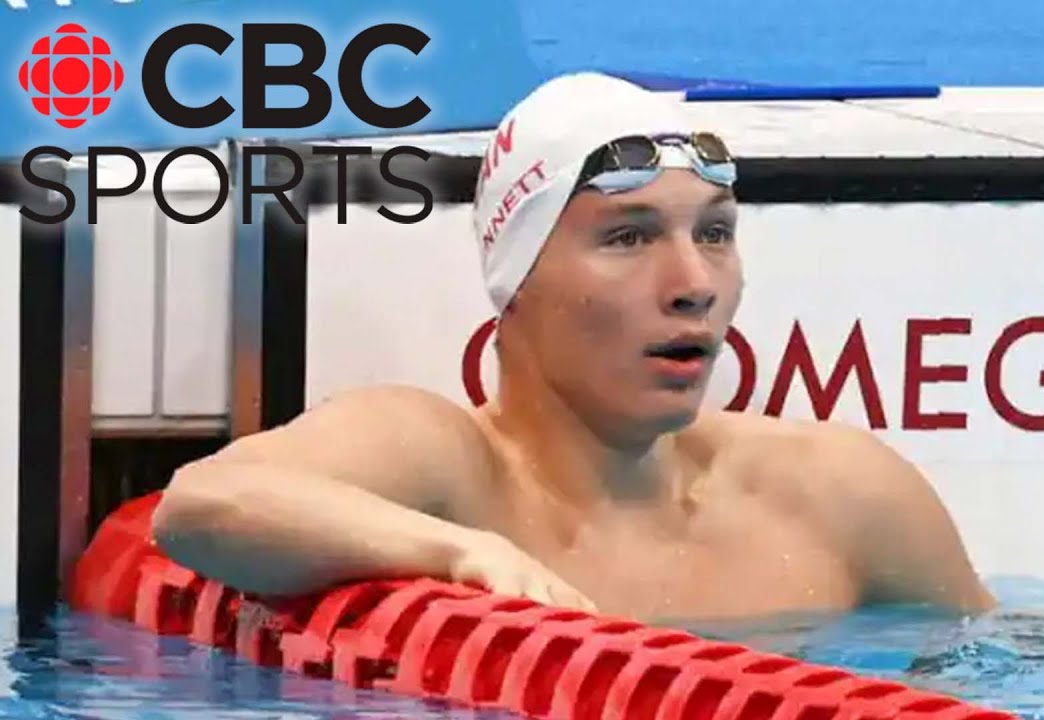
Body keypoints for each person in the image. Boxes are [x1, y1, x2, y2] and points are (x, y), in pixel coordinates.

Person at [151, 72, 996, 622]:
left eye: (714, 233)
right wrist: (462, 551)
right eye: (629, 238)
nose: (692, 281)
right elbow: (204, 506)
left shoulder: (841, 497)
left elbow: (1014, 676)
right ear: (514, 277)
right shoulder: (449, 466)